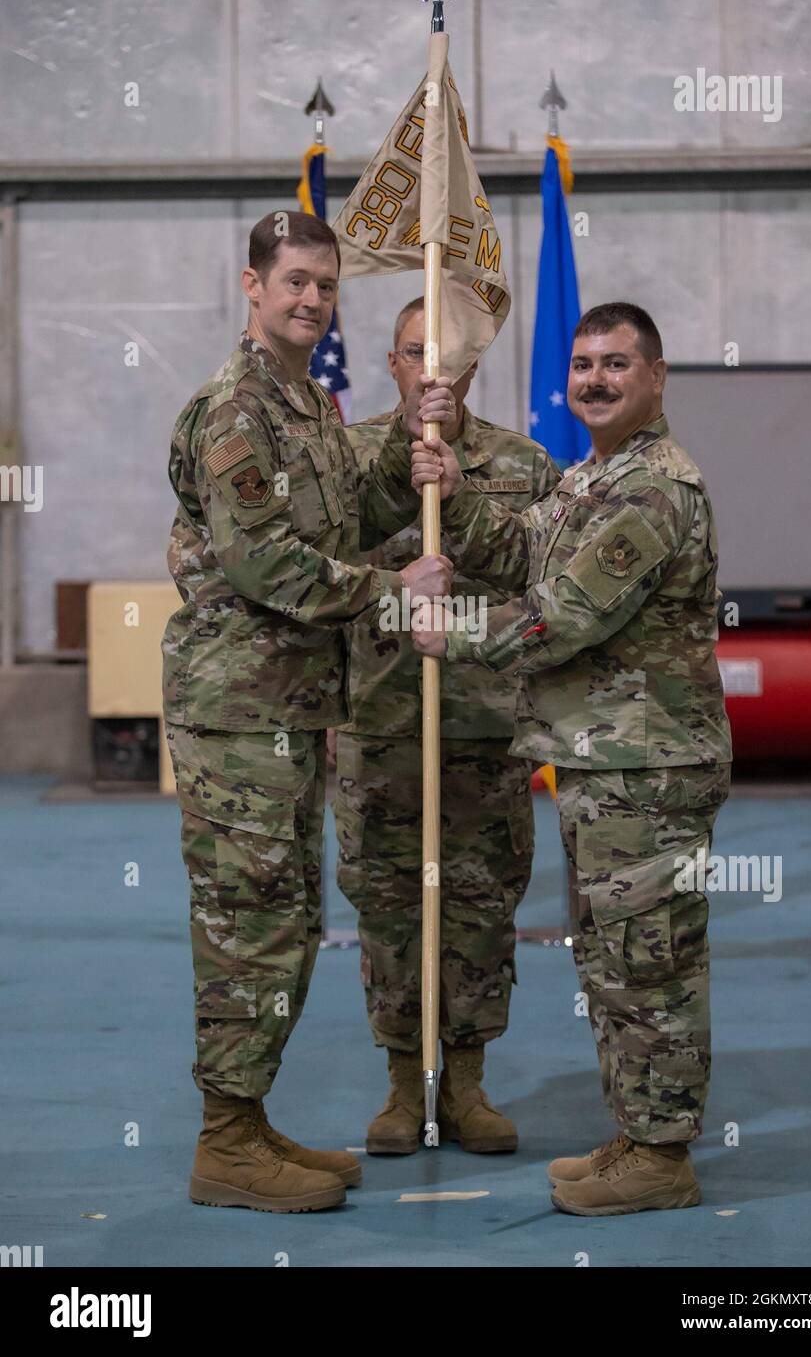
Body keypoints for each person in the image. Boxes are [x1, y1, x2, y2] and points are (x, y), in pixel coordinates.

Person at [409, 302, 733, 1216]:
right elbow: (521, 553)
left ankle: (664, 1157)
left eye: (616, 364)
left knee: (650, 961)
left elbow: (566, 614)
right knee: (612, 960)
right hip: (603, 762)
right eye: (583, 363)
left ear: (657, 377)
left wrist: (454, 635)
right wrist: (457, 491)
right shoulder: (593, 476)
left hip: (648, 768)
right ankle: (636, 1132)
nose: (594, 378)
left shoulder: (655, 489)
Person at [162, 210, 454, 1213]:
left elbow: (334, 524)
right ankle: (224, 1141)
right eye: (292, 281)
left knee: (286, 919)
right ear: (251, 284)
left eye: (324, 285)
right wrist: (391, 594)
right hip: (236, 714)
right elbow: (267, 564)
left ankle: (247, 1123)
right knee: (248, 922)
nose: (310, 299)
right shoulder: (233, 410)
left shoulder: (311, 408)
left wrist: (399, 478)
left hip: (289, 708)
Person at [335, 296, 561, 1155]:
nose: (429, 368)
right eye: (411, 351)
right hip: (380, 722)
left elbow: (545, 588)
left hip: (484, 727)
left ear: (472, 369)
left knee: (479, 908)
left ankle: (465, 1085)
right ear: (391, 364)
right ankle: (402, 1086)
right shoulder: (350, 458)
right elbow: (324, 564)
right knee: (389, 908)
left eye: (447, 354)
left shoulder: (523, 463)